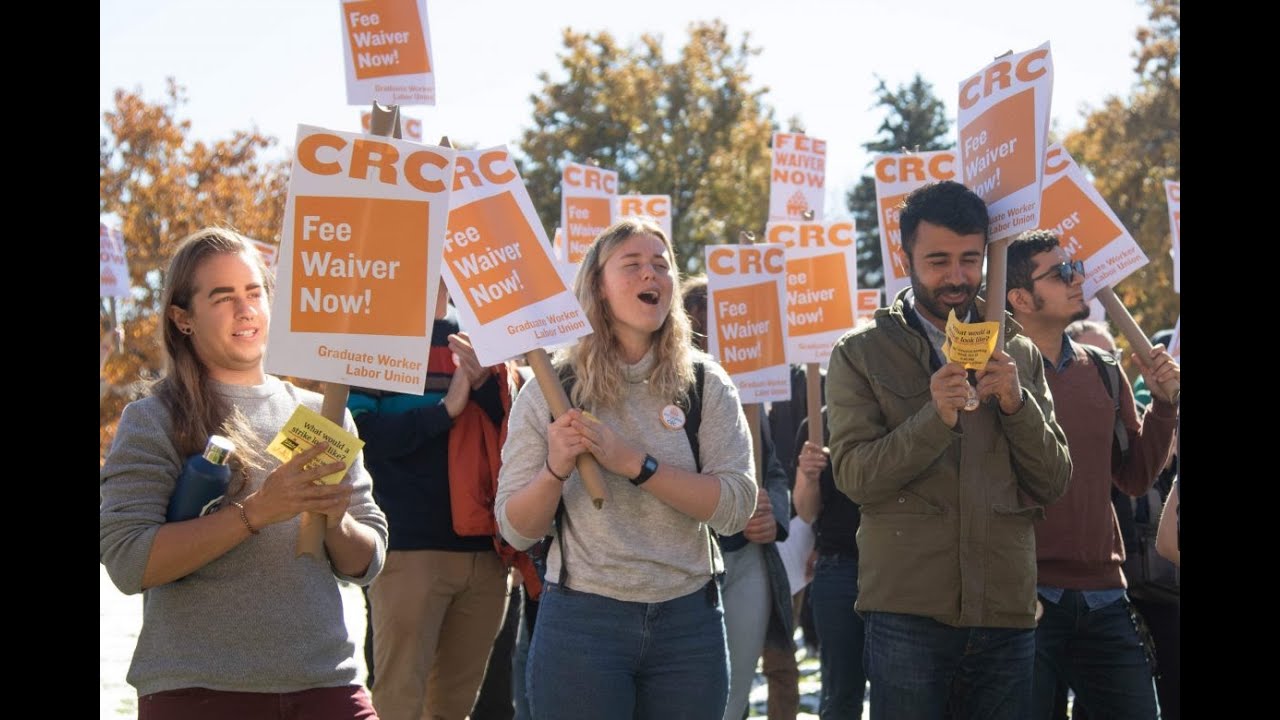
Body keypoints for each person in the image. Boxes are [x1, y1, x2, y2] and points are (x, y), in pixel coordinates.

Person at [99, 227, 387, 719]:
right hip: (200, 693)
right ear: (182, 319)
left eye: (254, 292)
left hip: (327, 685)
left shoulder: (321, 414)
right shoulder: (153, 418)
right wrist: (255, 512)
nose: (245, 308)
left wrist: (337, 521)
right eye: (223, 296)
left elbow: (367, 562)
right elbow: (129, 562)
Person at [825, 181, 1072, 720]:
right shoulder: (860, 354)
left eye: (970, 259)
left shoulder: (1018, 351)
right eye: (938, 261)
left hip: (1006, 609)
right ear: (905, 255)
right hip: (908, 613)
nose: (957, 276)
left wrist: (1015, 403)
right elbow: (855, 477)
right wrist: (932, 418)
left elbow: (1054, 479)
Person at [495, 218, 757, 720]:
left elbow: (735, 509)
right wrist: (554, 469)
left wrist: (635, 463)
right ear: (597, 286)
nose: (650, 276)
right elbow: (516, 528)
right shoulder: (551, 387)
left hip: (689, 624)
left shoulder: (706, 382)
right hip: (583, 625)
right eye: (632, 265)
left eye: (661, 265)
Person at [1006, 231, 1178, 719]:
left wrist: (1164, 406)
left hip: (1106, 594)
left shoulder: (1103, 367)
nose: (1077, 277)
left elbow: (1135, 478)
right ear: (1020, 297)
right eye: (1060, 273)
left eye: (1075, 266)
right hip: (1025, 599)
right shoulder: (996, 372)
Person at [349, 283, 513, 720]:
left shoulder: (489, 332)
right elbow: (358, 437)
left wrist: (480, 389)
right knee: (398, 703)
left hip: (487, 555)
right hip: (408, 551)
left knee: (453, 709)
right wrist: (445, 410)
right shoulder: (377, 334)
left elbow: (517, 439)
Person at [682, 274, 796, 720]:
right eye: (700, 329)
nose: (713, 340)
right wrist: (725, 505)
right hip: (690, 562)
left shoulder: (748, 392)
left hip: (749, 561)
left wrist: (773, 512)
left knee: (734, 697)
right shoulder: (665, 388)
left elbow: (772, 471)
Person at [1063, 319, 1181, 720]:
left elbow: (1139, 475)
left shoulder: (1125, 404)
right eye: (1089, 358)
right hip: (1080, 590)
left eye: (1109, 357)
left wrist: (1166, 412)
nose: (1101, 366)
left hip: (1143, 593)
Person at [793, 410, 865, 720]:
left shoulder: (903, 411)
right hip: (840, 569)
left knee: (903, 693)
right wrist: (808, 477)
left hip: (900, 570)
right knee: (841, 694)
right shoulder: (817, 424)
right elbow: (807, 512)